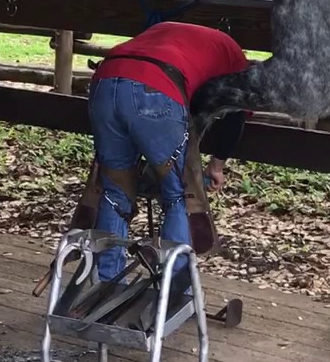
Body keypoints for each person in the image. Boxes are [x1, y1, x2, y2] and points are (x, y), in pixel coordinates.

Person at [87, 21, 249, 281]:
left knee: (114, 191)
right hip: (156, 90)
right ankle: (176, 286)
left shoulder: (164, 29)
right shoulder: (232, 54)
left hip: (104, 83)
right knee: (177, 196)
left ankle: (109, 279)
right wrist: (217, 165)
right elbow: (235, 115)